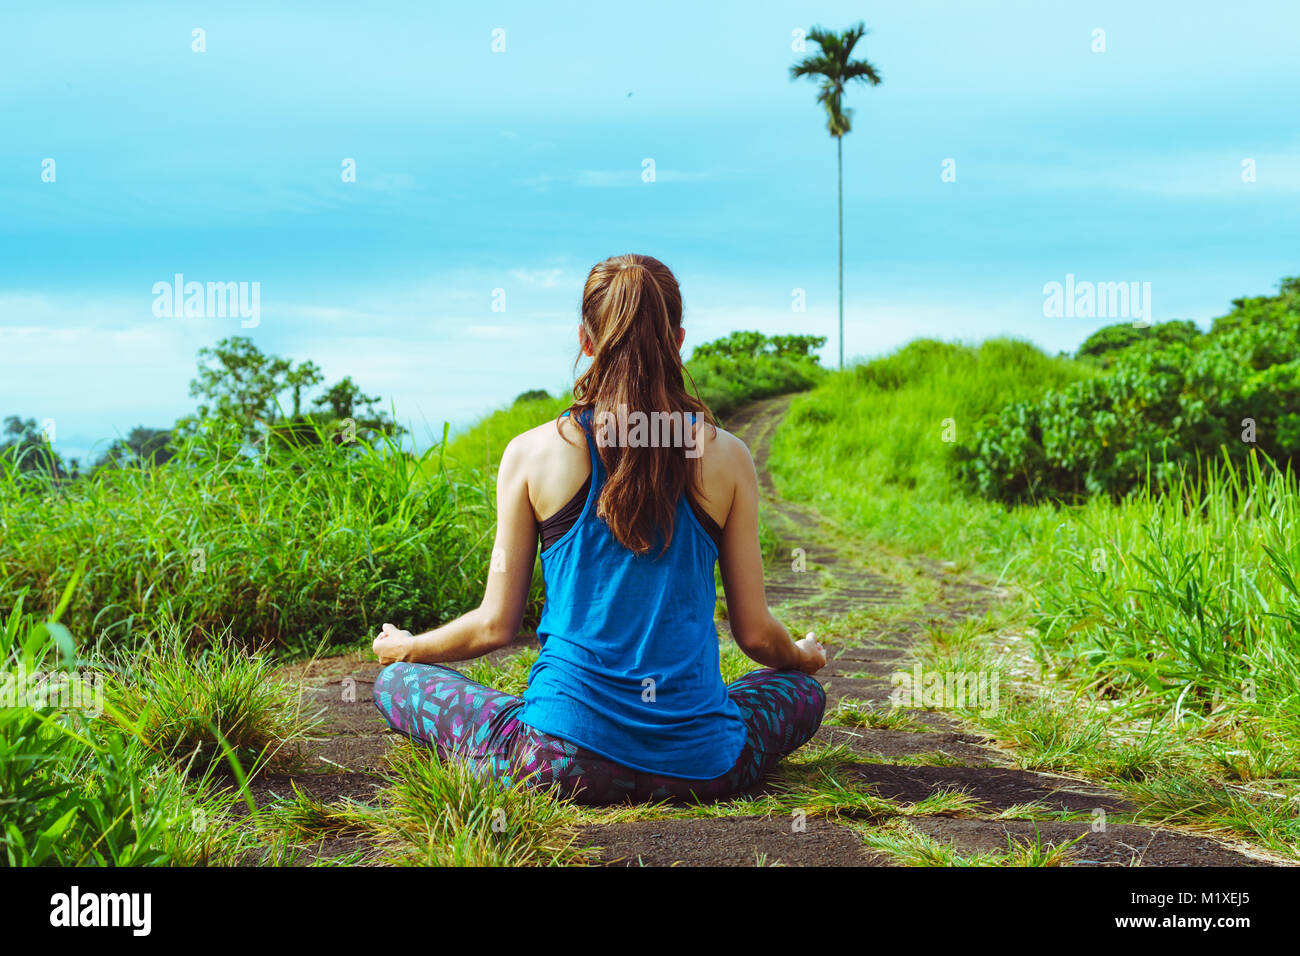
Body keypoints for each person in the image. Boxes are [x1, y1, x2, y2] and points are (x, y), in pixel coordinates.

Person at [372, 253, 827, 805]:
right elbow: (755, 635)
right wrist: (801, 656)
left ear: (586, 340)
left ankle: (513, 750)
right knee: (801, 691)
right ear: (678, 341)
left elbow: (494, 626)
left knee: (397, 681)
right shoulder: (728, 457)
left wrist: (410, 646)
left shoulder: (532, 454)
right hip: (702, 768)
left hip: (558, 761)